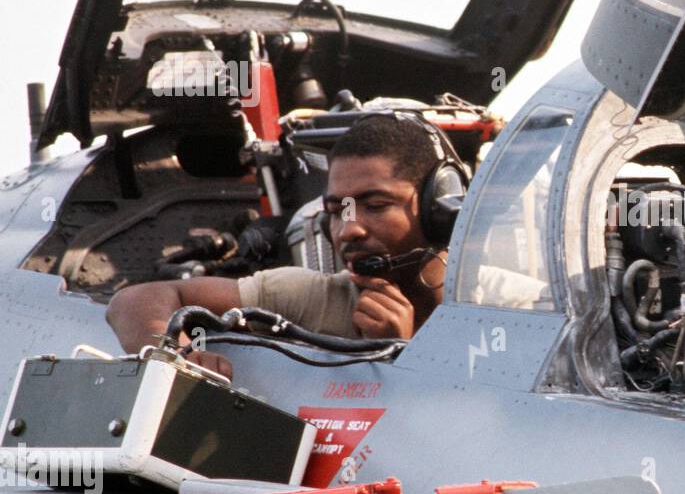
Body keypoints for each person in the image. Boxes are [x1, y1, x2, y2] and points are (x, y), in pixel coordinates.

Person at [107, 114, 462, 378]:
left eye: (376, 205)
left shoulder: (507, 307)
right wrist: (178, 355)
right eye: (337, 211)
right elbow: (133, 301)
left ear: (439, 208)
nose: (347, 230)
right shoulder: (314, 295)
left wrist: (401, 355)